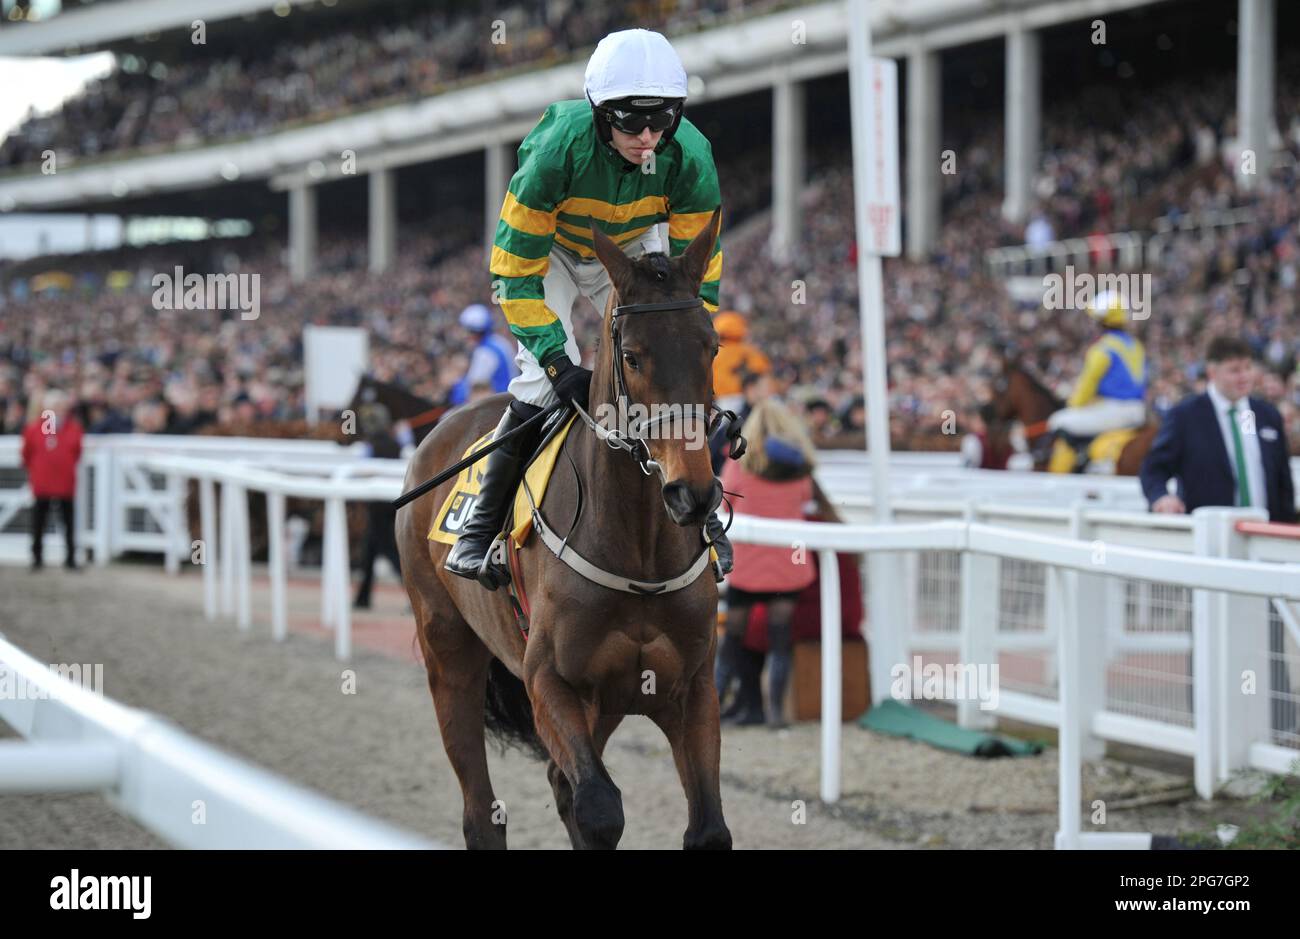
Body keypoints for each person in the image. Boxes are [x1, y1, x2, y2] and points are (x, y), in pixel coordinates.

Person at [445, 28, 732, 587]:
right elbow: (513, 274)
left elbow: (700, 269)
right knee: (540, 383)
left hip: (626, 252)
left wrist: (688, 339)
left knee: (670, 364)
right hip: (548, 251)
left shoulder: (691, 154)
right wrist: (557, 363)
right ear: (600, 114)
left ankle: (703, 512)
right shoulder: (555, 151)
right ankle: (479, 528)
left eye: (661, 121)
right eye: (630, 122)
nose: (648, 137)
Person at [716, 400, 819, 728]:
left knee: (732, 639)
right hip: (788, 565)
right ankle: (776, 712)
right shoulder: (799, 464)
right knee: (779, 641)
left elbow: (724, 500)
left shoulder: (740, 459)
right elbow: (805, 498)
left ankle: (715, 704)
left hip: (748, 564)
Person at [1140, 336, 1296, 523]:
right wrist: (1161, 497)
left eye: (1248, 367)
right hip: (1210, 534)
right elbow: (1154, 468)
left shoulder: (1266, 415)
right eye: (1234, 370)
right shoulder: (1186, 416)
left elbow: (1282, 479)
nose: (1244, 376)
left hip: (1264, 534)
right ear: (1212, 372)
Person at [1047, 290, 1147, 462]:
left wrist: (1071, 403)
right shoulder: (1136, 346)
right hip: (1138, 410)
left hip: (1114, 410)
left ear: (1102, 321)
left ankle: (1080, 461)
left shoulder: (1102, 349)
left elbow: (1084, 390)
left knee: (1057, 421)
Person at [20, 389, 84, 570]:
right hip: (42, 482)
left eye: (61, 406)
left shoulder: (73, 428)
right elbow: (27, 453)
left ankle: (70, 558)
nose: (58, 410)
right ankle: (37, 557)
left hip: (65, 483)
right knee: (39, 522)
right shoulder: (35, 428)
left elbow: (76, 452)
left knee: (68, 522)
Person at [353, 404, 404, 609]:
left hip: (377, 506)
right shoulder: (398, 444)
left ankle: (412, 590)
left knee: (390, 552)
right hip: (394, 502)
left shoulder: (369, 447)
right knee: (371, 551)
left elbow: (361, 471)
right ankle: (362, 598)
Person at [446, 303, 518, 406]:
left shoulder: (484, 352)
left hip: (501, 404)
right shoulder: (499, 340)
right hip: (510, 398)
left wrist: (454, 382)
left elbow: (468, 390)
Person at [711, 310, 770, 414]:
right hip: (752, 400)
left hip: (724, 402)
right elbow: (764, 373)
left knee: (723, 429)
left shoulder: (714, 354)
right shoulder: (751, 351)